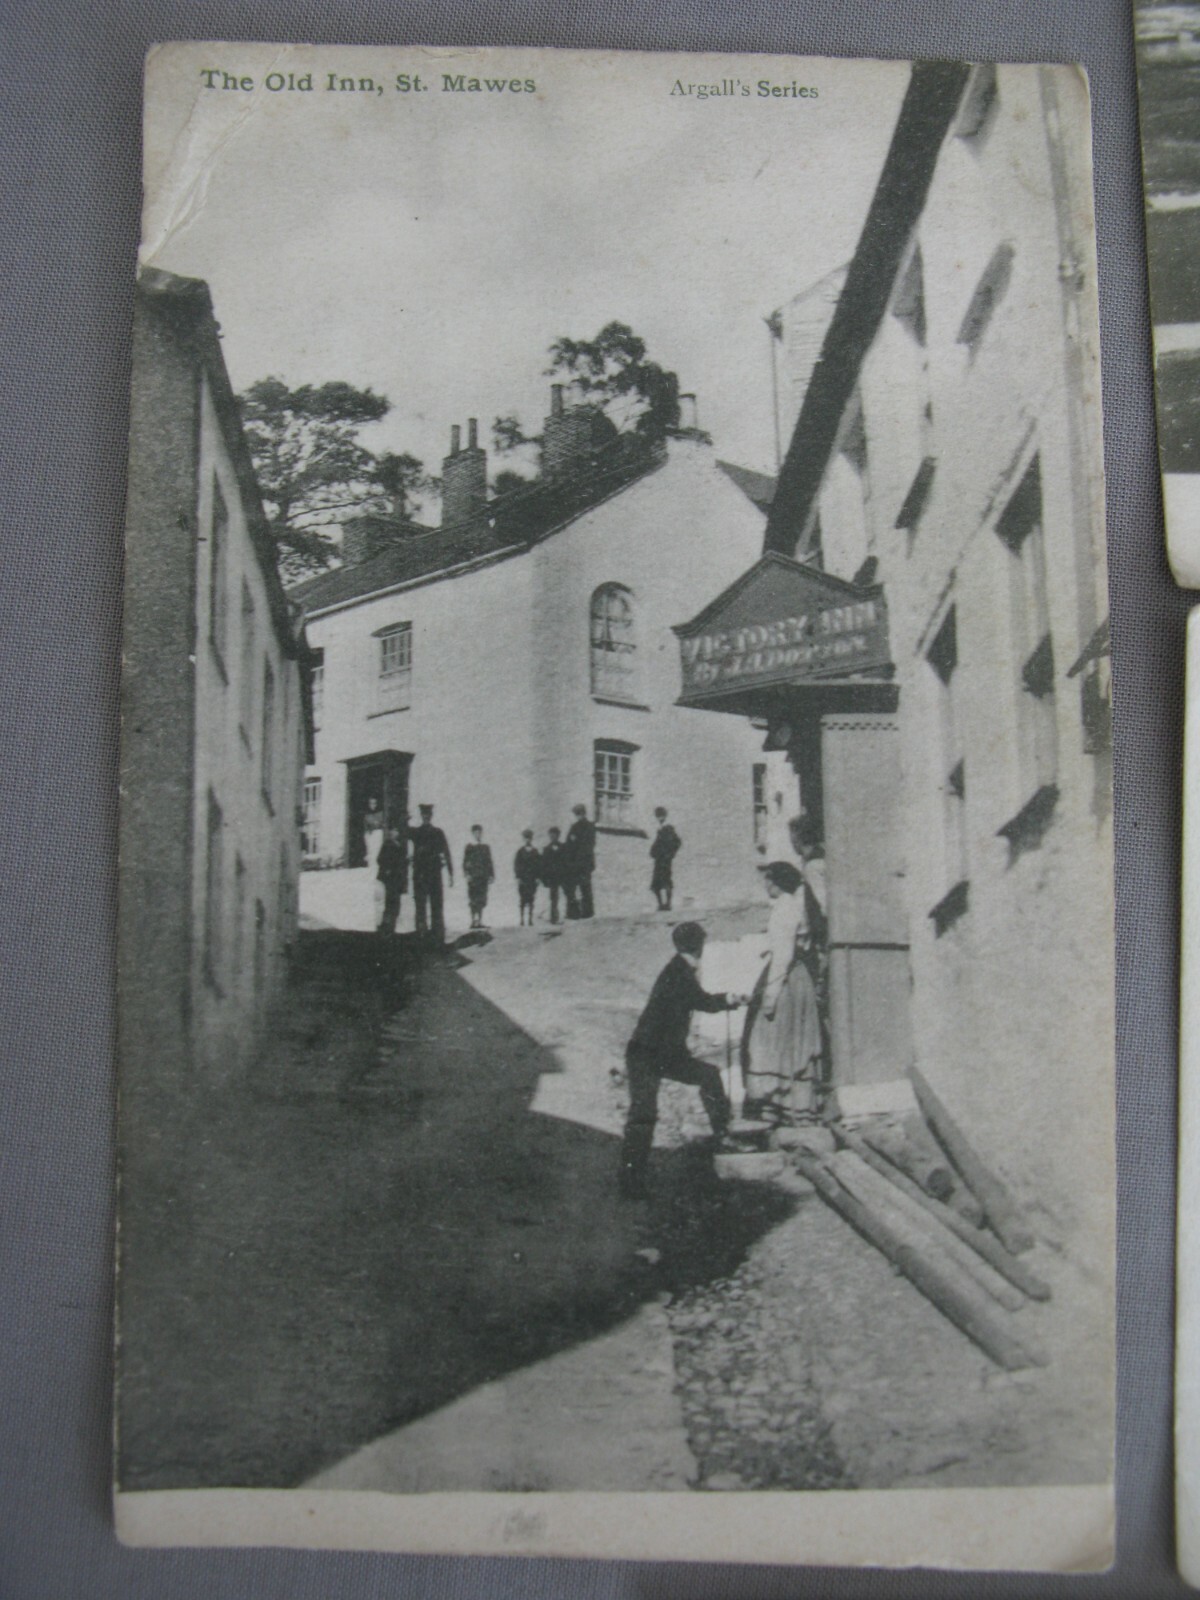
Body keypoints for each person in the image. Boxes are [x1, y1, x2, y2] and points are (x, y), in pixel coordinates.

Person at [619, 921, 743, 1200]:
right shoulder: (680, 975)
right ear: (700, 945)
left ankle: (721, 1136)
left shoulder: (678, 969)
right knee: (644, 1115)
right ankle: (631, 1181)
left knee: (706, 1077)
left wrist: (729, 999)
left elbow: (699, 1002)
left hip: (656, 1053)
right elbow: (702, 1002)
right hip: (649, 1055)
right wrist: (729, 1000)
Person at [740, 860, 823, 1125]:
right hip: (796, 978)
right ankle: (784, 1105)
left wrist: (771, 997)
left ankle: (777, 1104)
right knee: (787, 1042)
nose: (765, 884)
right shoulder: (791, 906)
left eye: (768, 879)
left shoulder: (785, 908)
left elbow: (784, 956)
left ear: (776, 882)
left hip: (787, 981)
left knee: (770, 1040)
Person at [410, 803, 453, 944]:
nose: (426, 818)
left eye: (428, 816)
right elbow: (402, 830)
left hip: (434, 875)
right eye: (424, 816)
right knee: (421, 908)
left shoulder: (438, 833)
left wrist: (451, 873)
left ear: (431, 816)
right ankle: (421, 938)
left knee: (436, 907)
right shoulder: (415, 832)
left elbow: (446, 852)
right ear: (421, 817)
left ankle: (437, 939)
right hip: (420, 876)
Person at [376, 820, 409, 935]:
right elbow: (380, 859)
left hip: (397, 879)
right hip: (389, 879)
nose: (395, 833)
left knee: (395, 904)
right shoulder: (387, 844)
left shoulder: (399, 845)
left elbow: (402, 863)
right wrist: (387, 868)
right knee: (390, 903)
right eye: (393, 831)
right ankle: (386, 927)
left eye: (396, 831)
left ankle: (391, 927)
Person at [565, 803, 597, 919]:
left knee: (585, 887)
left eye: (580, 813)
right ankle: (574, 913)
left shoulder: (590, 827)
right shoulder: (574, 827)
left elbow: (589, 845)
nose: (579, 816)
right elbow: (569, 844)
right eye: (577, 814)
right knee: (572, 887)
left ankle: (587, 912)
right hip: (574, 863)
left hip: (585, 863)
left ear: (584, 813)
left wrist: (577, 846)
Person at [462, 825, 495, 931]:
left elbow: (489, 862)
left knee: (481, 899)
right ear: (473, 833)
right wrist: (467, 874)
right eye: (476, 832)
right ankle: (473, 921)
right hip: (473, 877)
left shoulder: (485, 847)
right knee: (473, 899)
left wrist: (491, 875)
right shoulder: (469, 847)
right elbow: (465, 862)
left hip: (483, 877)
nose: (478, 834)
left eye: (479, 832)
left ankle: (479, 921)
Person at [649, 806, 681, 911]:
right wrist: (653, 852)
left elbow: (677, 842)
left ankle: (668, 904)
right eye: (658, 816)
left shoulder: (668, 828)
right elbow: (657, 844)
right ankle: (661, 904)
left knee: (666, 882)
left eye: (661, 816)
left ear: (665, 816)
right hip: (659, 860)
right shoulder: (661, 829)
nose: (659, 818)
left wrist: (670, 854)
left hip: (665, 861)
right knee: (656, 884)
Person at [540, 827, 567, 924]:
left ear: (558, 836)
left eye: (555, 835)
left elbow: (567, 861)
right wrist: (544, 878)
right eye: (551, 835)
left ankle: (567, 915)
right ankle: (554, 917)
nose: (553, 837)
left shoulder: (564, 847)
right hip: (552, 877)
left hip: (563, 875)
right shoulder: (546, 849)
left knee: (566, 894)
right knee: (553, 897)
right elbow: (543, 865)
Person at [514, 829, 540, 926]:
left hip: (532, 879)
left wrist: (538, 877)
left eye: (529, 838)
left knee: (531, 899)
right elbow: (517, 865)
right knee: (522, 899)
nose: (527, 840)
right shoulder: (520, 852)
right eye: (525, 838)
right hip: (523, 879)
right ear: (523, 839)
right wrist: (518, 877)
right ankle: (521, 919)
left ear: (531, 839)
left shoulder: (535, 851)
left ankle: (530, 919)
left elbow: (539, 865)